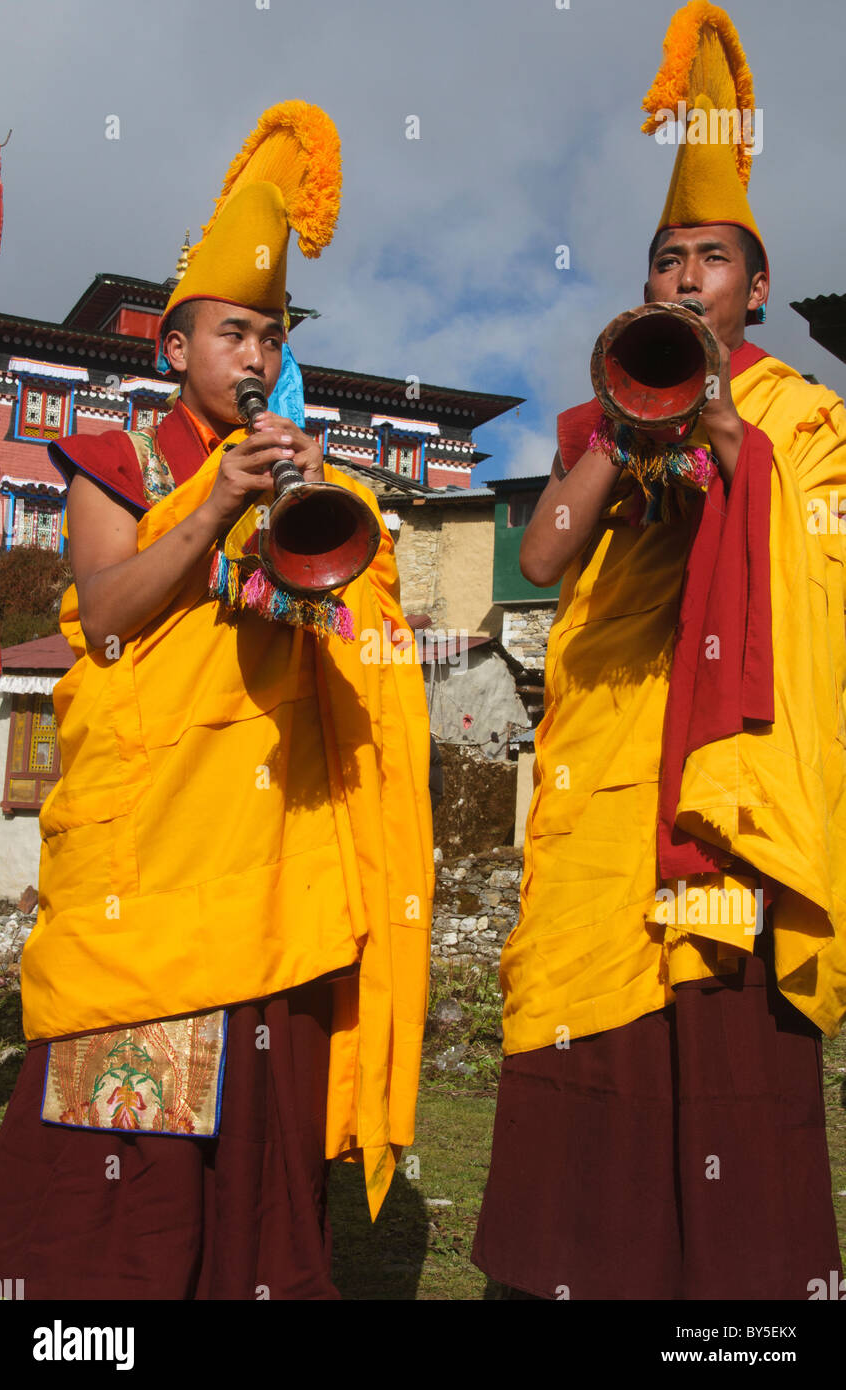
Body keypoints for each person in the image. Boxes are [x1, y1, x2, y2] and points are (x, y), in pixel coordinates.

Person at [0, 101, 434, 1300]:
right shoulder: (112, 464)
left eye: (268, 335)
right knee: (108, 1192)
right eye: (230, 332)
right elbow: (115, 608)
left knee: (257, 1162)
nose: (252, 354)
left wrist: (318, 536)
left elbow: (360, 641)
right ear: (173, 350)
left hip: (267, 868)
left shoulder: (316, 485)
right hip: (148, 859)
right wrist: (218, 506)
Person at [472, 1, 845, 1301]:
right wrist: (624, 424)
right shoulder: (608, 403)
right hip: (605, 785)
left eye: (708, 257)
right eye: (663, 258)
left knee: (720, 1059)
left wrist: (722, 430)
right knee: (592, 1056)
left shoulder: (800, 417)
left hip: (722, 790)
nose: (682, 277)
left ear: (752, 283)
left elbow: (810, 560)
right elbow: (538, 556)